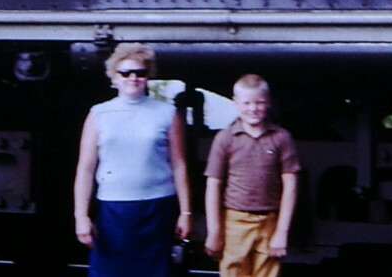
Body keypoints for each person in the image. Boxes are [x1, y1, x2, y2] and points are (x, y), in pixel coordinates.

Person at [74, 43, 194, 277]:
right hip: (113, 211)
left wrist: (186, 212)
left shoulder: (167, 113)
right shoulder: (99, 114)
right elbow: (86, 169)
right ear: (113, 78)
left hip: (156, 209)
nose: (133, 78)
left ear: (148, 77)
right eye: (125, 73)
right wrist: (81, 216)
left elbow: (179, 165)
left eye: (140, 73)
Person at [203, 74, 301, 277]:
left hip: (269, 222)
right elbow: (213, 185)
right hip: (234, 221)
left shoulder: (282, 138)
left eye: (260, 102)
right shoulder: (225, 138)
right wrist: (214, 231)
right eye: (246, 103)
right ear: (236, 103)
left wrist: (281, 232)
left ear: (269, 103)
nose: (253, 108)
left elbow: (290, 186)